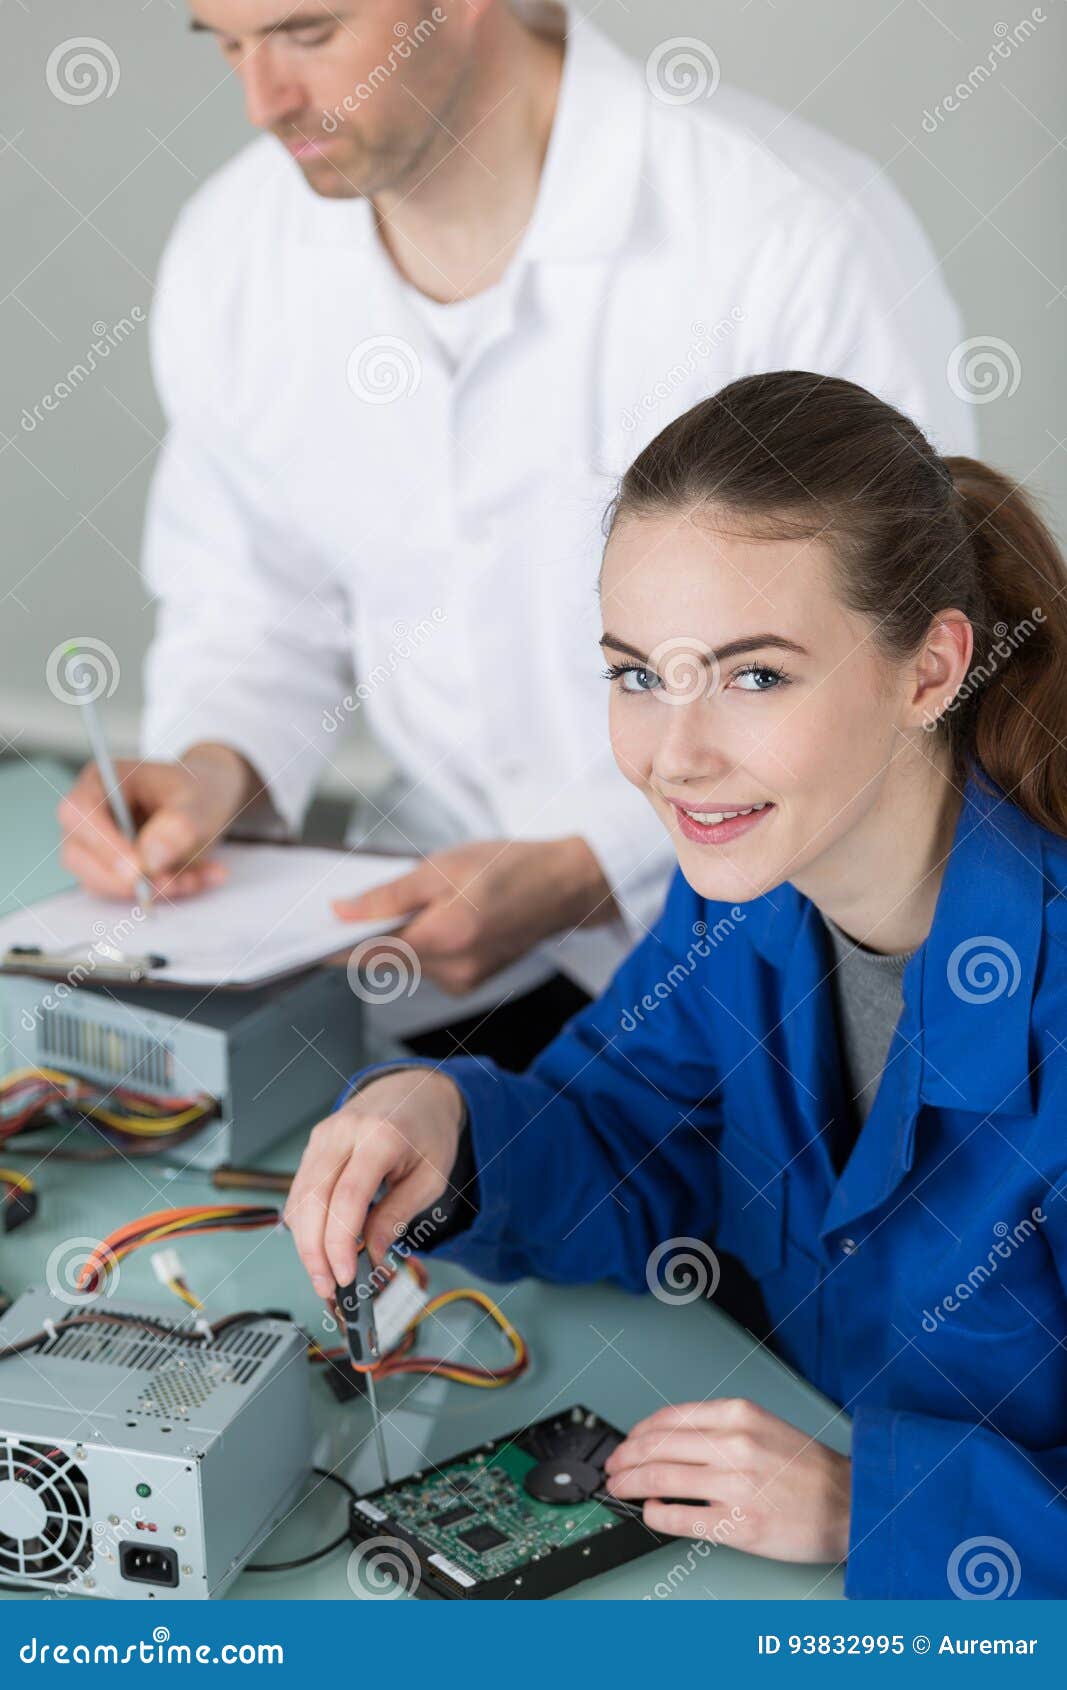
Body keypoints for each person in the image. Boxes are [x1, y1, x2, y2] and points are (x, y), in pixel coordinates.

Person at [59, 0, 976, 1063]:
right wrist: (214, 769)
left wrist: (591, 862)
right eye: (224, 43)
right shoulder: (235, 252)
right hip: (448, 953)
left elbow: (893, 655)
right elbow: (252, 601)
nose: (263, 100)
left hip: (781, 969)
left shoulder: (784, 233)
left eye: (307, 34)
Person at [285, 371, 1067, 1598]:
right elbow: (628, 1134)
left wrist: (880, 1503)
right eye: (638, 673)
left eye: (755, 677)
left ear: (928, 671)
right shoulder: (741, 889)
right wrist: (447, 1123)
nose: (675, 755)